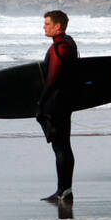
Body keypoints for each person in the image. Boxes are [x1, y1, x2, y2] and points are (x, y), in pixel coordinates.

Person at [36, 10, 78, 202]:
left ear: (58, 26)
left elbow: (52, 81)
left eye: (47, 23)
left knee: (60, 147)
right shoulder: (69, 43)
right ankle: (65, 190)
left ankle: (63, 191)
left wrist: (40, 104)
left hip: (56, 103)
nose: (44, 27)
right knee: (64, 146)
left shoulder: (58, 48)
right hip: (67, 100)